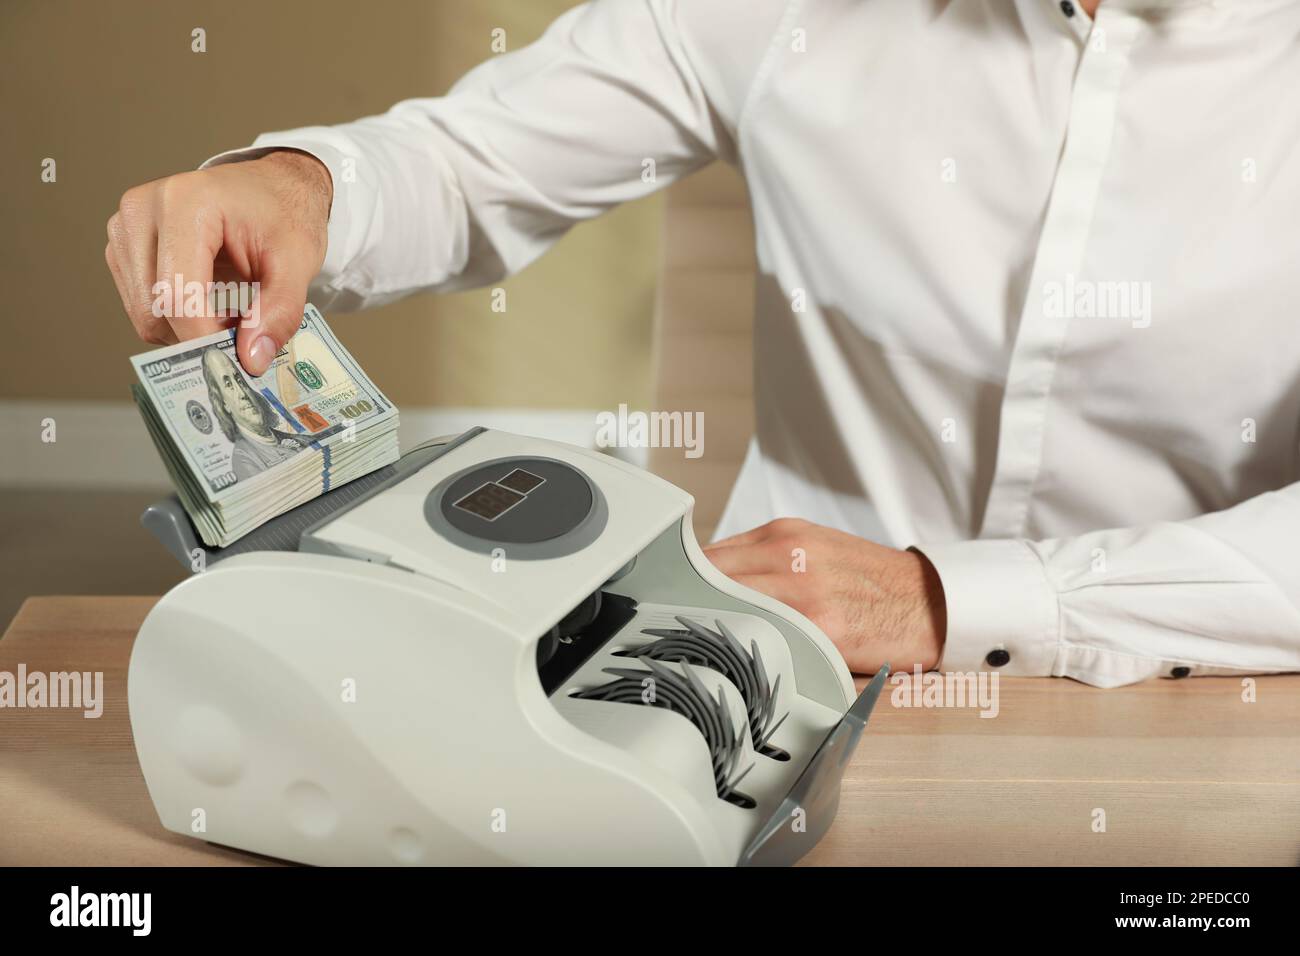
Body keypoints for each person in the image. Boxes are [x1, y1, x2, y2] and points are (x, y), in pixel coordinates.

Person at [104, 0, 1300, 686]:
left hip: (1214, 700)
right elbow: (470, 166)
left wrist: (948, 598)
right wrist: (306, 184)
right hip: (775, 681)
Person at [202, 348, 315, 481]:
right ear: (223, 402)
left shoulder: (302, 439)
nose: (242, 393)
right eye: (228, 385)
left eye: (239, 380)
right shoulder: (244, 461)